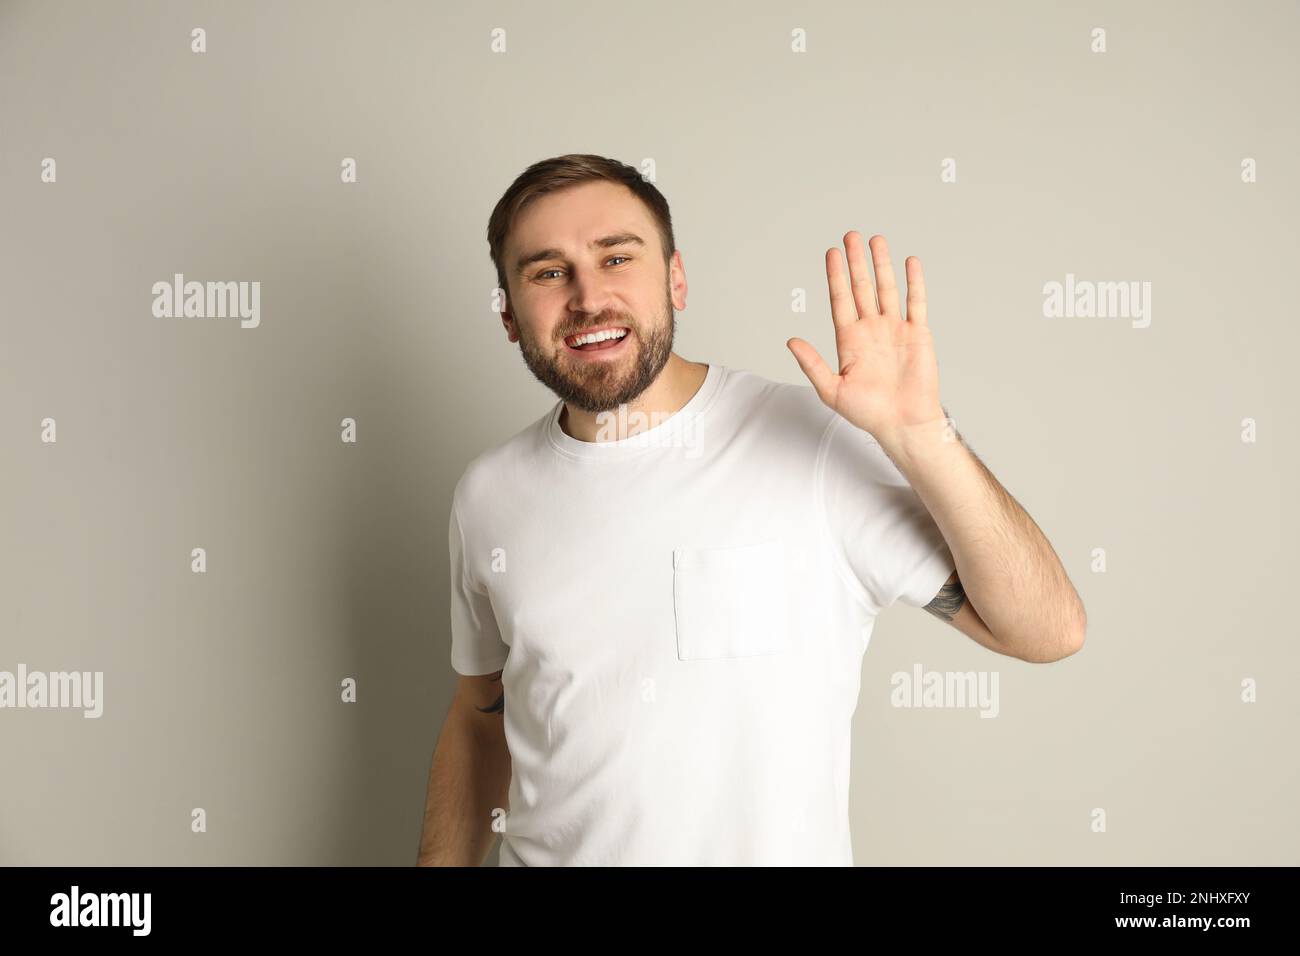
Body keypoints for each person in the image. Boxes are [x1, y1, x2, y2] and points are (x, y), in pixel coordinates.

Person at [416, 154, 1086, 866]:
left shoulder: (812, 444)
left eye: (617, 257)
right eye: (548, 272)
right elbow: (479, 720)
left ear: (675, 279)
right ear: (511, 317)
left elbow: (1048, 630)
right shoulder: (487, 495)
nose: (588, 297)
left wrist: (921, 436)